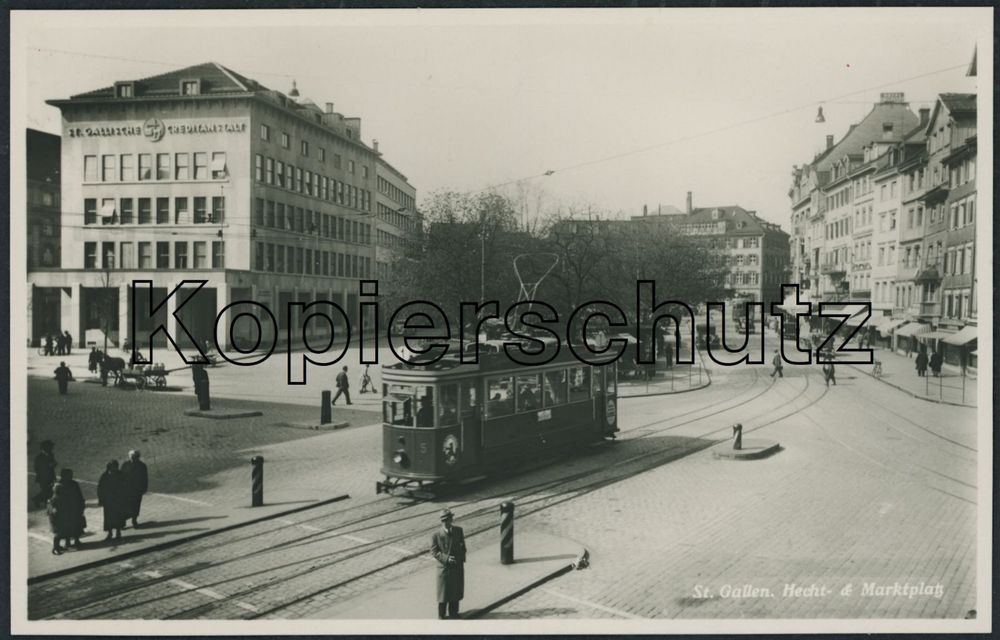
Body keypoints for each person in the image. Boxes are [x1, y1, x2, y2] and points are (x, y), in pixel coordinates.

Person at [431, 508, 466, 619]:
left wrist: (460, 559)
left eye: (447, 520)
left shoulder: (458, 531)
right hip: (444, 569)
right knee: (443, 594)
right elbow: (434, 552)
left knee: (455, 592)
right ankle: (441, 615)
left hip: (456, 567)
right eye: (443, 520)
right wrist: (446, 559)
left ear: (451, 519)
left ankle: (454, 613)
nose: (445, 523)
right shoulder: (436, 535)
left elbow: (463, 547)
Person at [48, 468, 85, 554]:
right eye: (69, 475)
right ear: (64, 475)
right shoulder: (58, 486)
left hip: (74, 507)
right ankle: (67, 542)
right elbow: (53, 502)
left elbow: (79, 495)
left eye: (71, 475)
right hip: (66, 510)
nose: (71, 476)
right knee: (67, 527)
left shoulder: (74, 484)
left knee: (76, 524)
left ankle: (76, 540)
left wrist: (81, 505)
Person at [97, 460, 127, 541]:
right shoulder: (105, 476)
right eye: (113, 466)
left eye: (116, 466)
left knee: (118, 516)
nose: (115, 468)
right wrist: (101, 499)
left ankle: (118, 532)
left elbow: (125, 486)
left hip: (118, 500)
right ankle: (109, 533)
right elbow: (100, 488)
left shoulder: (120, 474)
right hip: (108, 501)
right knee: (108, 518)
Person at [120, 450, 149, 528]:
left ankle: (134, 520)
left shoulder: (142, 466)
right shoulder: (125, 465)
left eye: (134, 457)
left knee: (136, 506)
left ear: (138, 457)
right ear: (129, 457)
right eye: (131, 457)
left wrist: (144, 488)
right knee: (125, 506)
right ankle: (123, 523)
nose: (133, 458)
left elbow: (145, 478)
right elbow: (121, 477)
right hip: (126, 490)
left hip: (137, 490)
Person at [33, 440, 57, 509]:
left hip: (51, 476)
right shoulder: (39, 457)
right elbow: (37, 468)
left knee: (49, 490)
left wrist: (53, 464)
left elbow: (53, 464)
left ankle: (37, 499)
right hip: (43, 478)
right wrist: (48, 466)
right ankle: (44, 503)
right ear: (46, 448)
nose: (52, 448)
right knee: (47, 491)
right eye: (50, 447)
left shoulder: (51, 455)